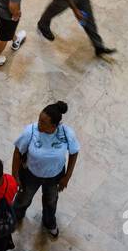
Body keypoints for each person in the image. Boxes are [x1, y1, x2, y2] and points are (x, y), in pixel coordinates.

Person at [11, 101, 79, 238]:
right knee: (23, 198)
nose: (38, 124)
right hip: (31, 174)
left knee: (51, 200)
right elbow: (18, 152)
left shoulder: (66, 133)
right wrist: (15, 176)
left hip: (55, 176)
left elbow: (74, 152)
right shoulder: (30, 131)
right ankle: (15, 217)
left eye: (43, 122)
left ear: (54, 125)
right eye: (39, 119)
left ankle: (49, 222)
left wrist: (67, 177)